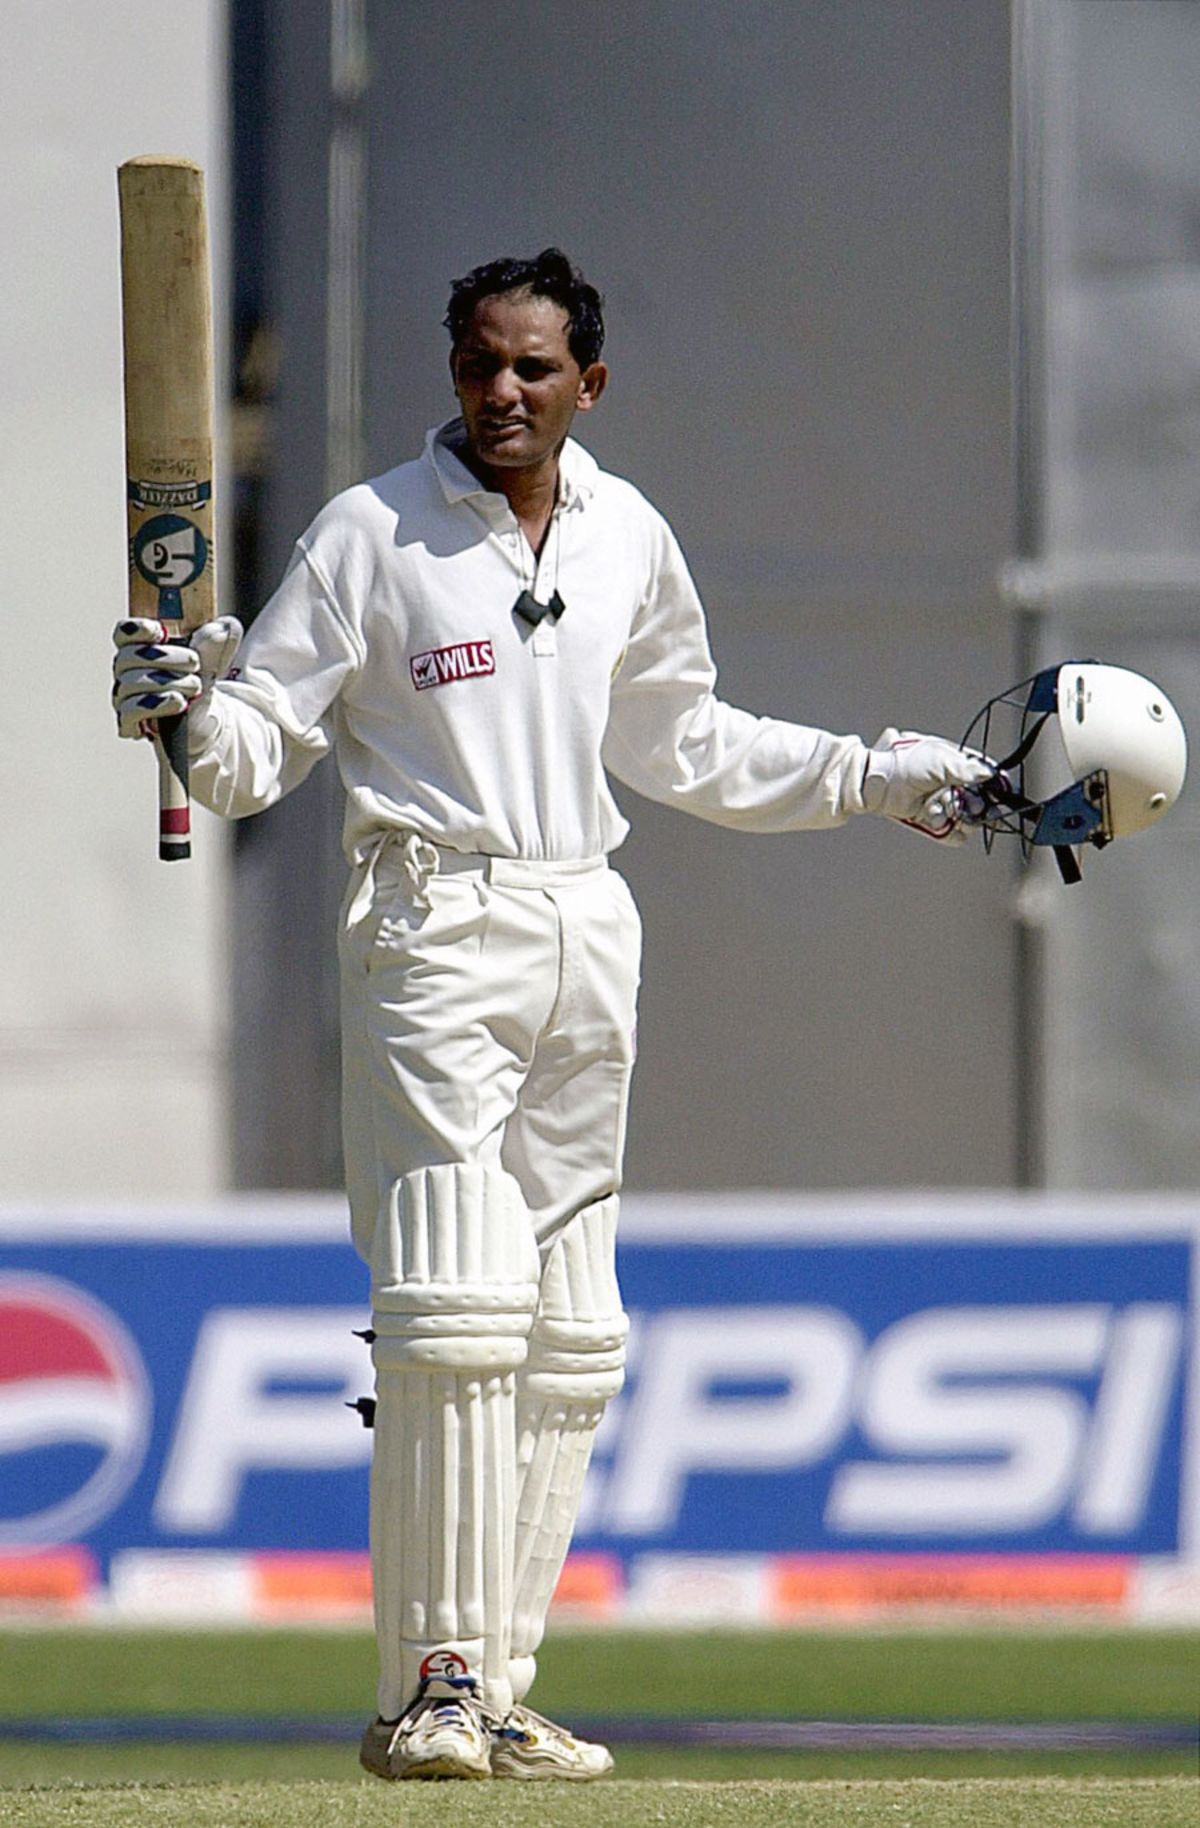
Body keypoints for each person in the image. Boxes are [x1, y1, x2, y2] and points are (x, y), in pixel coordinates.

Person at [112, 248, 991, 1782]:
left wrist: (867, 773)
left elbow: (687, 740)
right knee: (457, 1305)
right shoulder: (369, 535)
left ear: (590, 381)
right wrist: (187, 700)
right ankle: (432, 1684)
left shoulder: (628, 531)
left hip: (589, 916)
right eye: (477, 364)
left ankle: (495, 1692)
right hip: (434, 921)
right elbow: (256, 751)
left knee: (572, 1335)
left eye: (532, 369)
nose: (500, 393)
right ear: (452, 370)